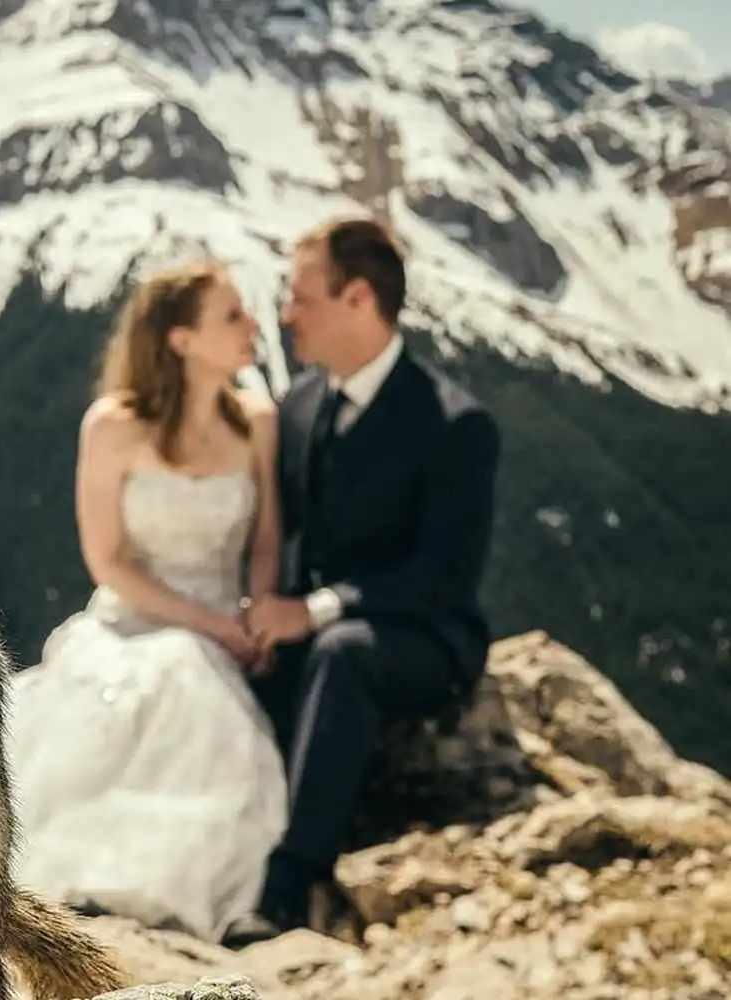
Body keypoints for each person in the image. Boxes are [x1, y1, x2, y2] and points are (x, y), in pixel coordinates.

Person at [228, 217, 502, 943]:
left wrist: (313, 611)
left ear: (358, 299)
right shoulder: (302, 407)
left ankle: (289, 888)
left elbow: (445, 574)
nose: (285, 314)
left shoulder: (455, 424)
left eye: (300, 297)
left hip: (424, 636)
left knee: (341, 653)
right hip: (324, 631)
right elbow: (286, 537)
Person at [3, 258, 290, 945]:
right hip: (131, 621)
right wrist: (210, 627)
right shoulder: (112, 425)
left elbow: (267, 539)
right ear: (180, 340)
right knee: (157, 683)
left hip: (227, 625)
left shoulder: (257, 421)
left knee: (195, 702)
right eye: (232, 316)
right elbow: (107, 560)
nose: (254, 325)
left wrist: (256, 611)